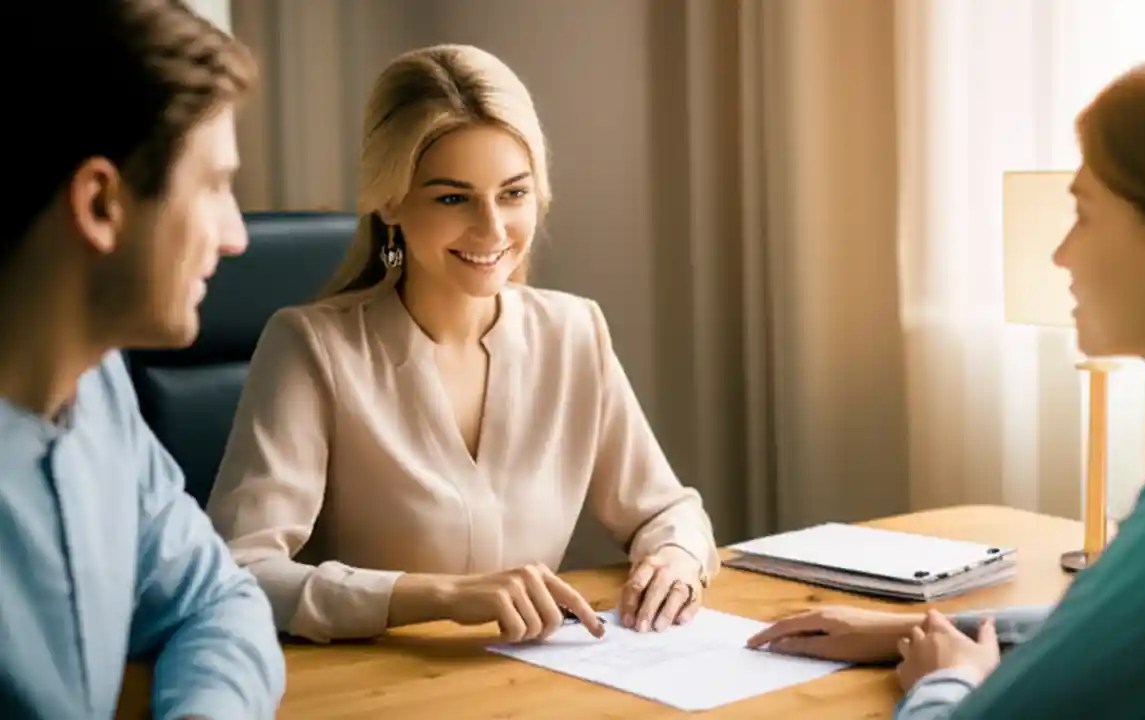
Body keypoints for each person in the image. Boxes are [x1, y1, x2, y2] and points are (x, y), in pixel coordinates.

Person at [752, 47, 1145, 718]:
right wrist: (922, 631)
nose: (1061, 254)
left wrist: (947, 680)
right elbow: (1126, 625)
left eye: (1083, 214)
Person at [205, 44, 719, 645]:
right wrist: (437, 596)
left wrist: (677, 559)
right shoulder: (312, 348)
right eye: (453, 198)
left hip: (529, 686)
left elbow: (666, 510)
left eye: (514, 193)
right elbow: (240, 572)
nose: (493, 229)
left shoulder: (574, 333)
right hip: (367, 691)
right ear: (391, 200)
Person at [0, 1, 286, 719]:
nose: (235, 237)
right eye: (215, 185)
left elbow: (216, 599)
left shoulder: (100, 395)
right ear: (101, 204)